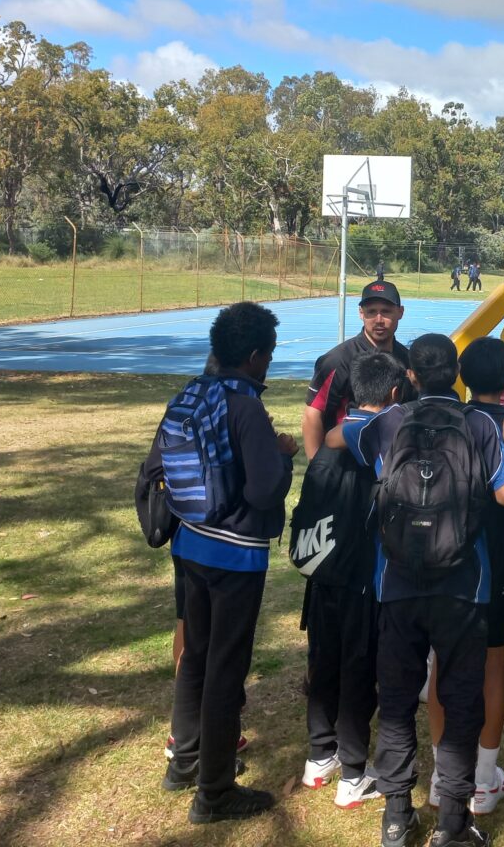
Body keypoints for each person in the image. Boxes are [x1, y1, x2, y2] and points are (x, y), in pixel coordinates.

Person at [352, 334, 504, 847]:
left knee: (399, 700)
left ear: (411, 375)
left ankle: (396, 816)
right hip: (464, 585)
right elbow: (503, 491)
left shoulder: (389, 422)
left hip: (397, 582)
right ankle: (453, 822)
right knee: (462, 701)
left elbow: (356, 446)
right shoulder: (477, 425)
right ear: (459, 375)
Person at [155, 302, 296, 824]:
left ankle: (183, 761)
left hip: (190, 544)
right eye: (270, 356)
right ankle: (214, 792)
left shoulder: (193, 393)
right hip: (236, 555)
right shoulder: (246, 408)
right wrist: (283, 456)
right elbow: (263, 492)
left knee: (195, 654)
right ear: (256, 357)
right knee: (225, 668)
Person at [299, 353, 408, 809]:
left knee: (323, 663)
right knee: (357, 671)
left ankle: (319, 755)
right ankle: (354, 773)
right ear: (394, 394)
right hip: (362, 578)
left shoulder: (328, 444)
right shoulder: (376, 448)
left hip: (319, 573)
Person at [425, 336, 504, 818]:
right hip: (491, 564)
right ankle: (482, 779)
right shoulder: (503, 427)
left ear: (463, 376)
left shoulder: (446, 419)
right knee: (492, 665)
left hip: (442, 558)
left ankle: (443, 779)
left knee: (442, 665)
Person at [302, 280, 409, 462]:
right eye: (371, 312)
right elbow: (312, 415)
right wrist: (317, 469)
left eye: (386, 311)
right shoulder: (338, 360)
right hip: (346, 467)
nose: (379, 320)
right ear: (361, 313)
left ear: (400, 312)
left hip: (393, 467)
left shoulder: (407, 359)